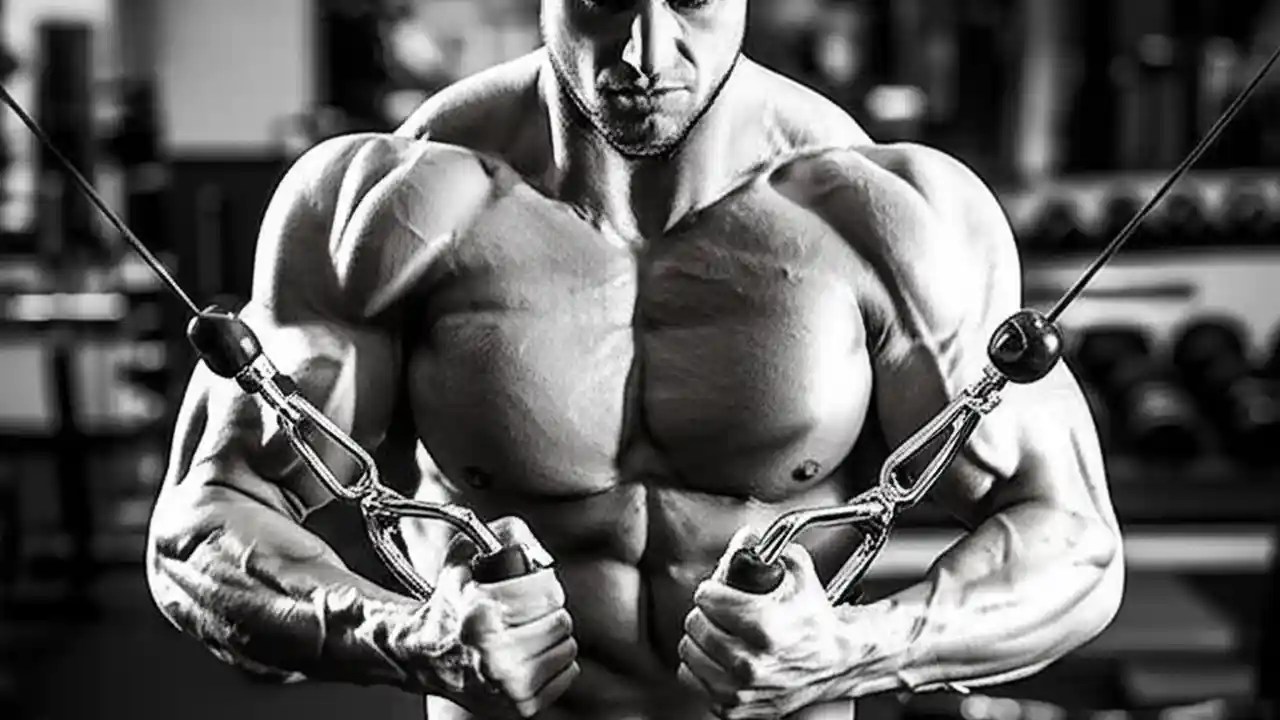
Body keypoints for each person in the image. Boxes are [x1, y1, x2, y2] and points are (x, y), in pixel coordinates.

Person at [146, 1, 1124, 718]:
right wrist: (413, 639)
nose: (644, 55)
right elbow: (200, 532)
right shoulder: (382, 208)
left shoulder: (891, 218)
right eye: (603, 2)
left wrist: (854, 649)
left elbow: (1072, 548)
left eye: (691, 1)